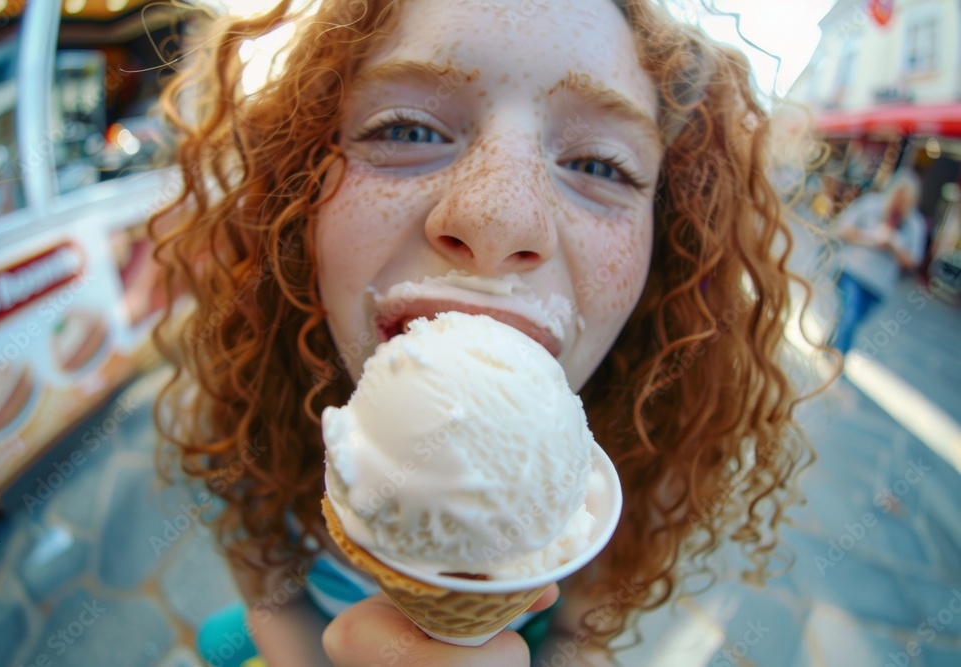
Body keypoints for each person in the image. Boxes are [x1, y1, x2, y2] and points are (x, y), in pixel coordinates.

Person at [149, 0, 824, 664]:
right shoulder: (241, 426)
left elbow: (576, 640)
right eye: (408, 129)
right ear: (299, 192)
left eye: (600, 165)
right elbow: (271, 601)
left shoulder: (631, 480)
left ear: (668, 247)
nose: (498, 217)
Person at [829, 170, 926, 354]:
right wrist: (869, 237)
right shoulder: (872, 203)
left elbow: (913, 262)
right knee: (849, 316)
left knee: (851, 319)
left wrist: (894, 245)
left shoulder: (914, 224)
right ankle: (838, 360)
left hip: (879, 285)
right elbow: (842, 228)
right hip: (854, 270)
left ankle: (831, 343)